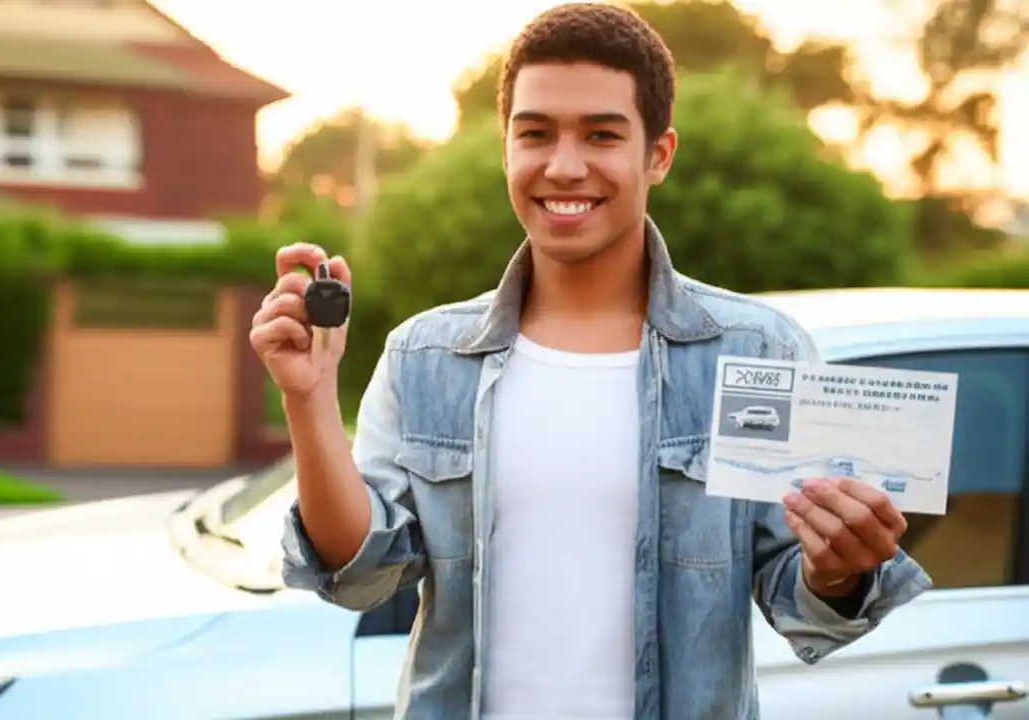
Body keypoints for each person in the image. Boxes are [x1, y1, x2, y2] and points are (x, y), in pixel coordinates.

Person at [249, 3, 932, 718]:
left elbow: (804, 600)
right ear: (505, 148)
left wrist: (840, 568)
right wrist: (311, 397)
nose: (564, 166)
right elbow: (364, 576)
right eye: (535, 134)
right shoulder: (426, 356)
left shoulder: (758, 349)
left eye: (602, 135)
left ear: (658, 154)